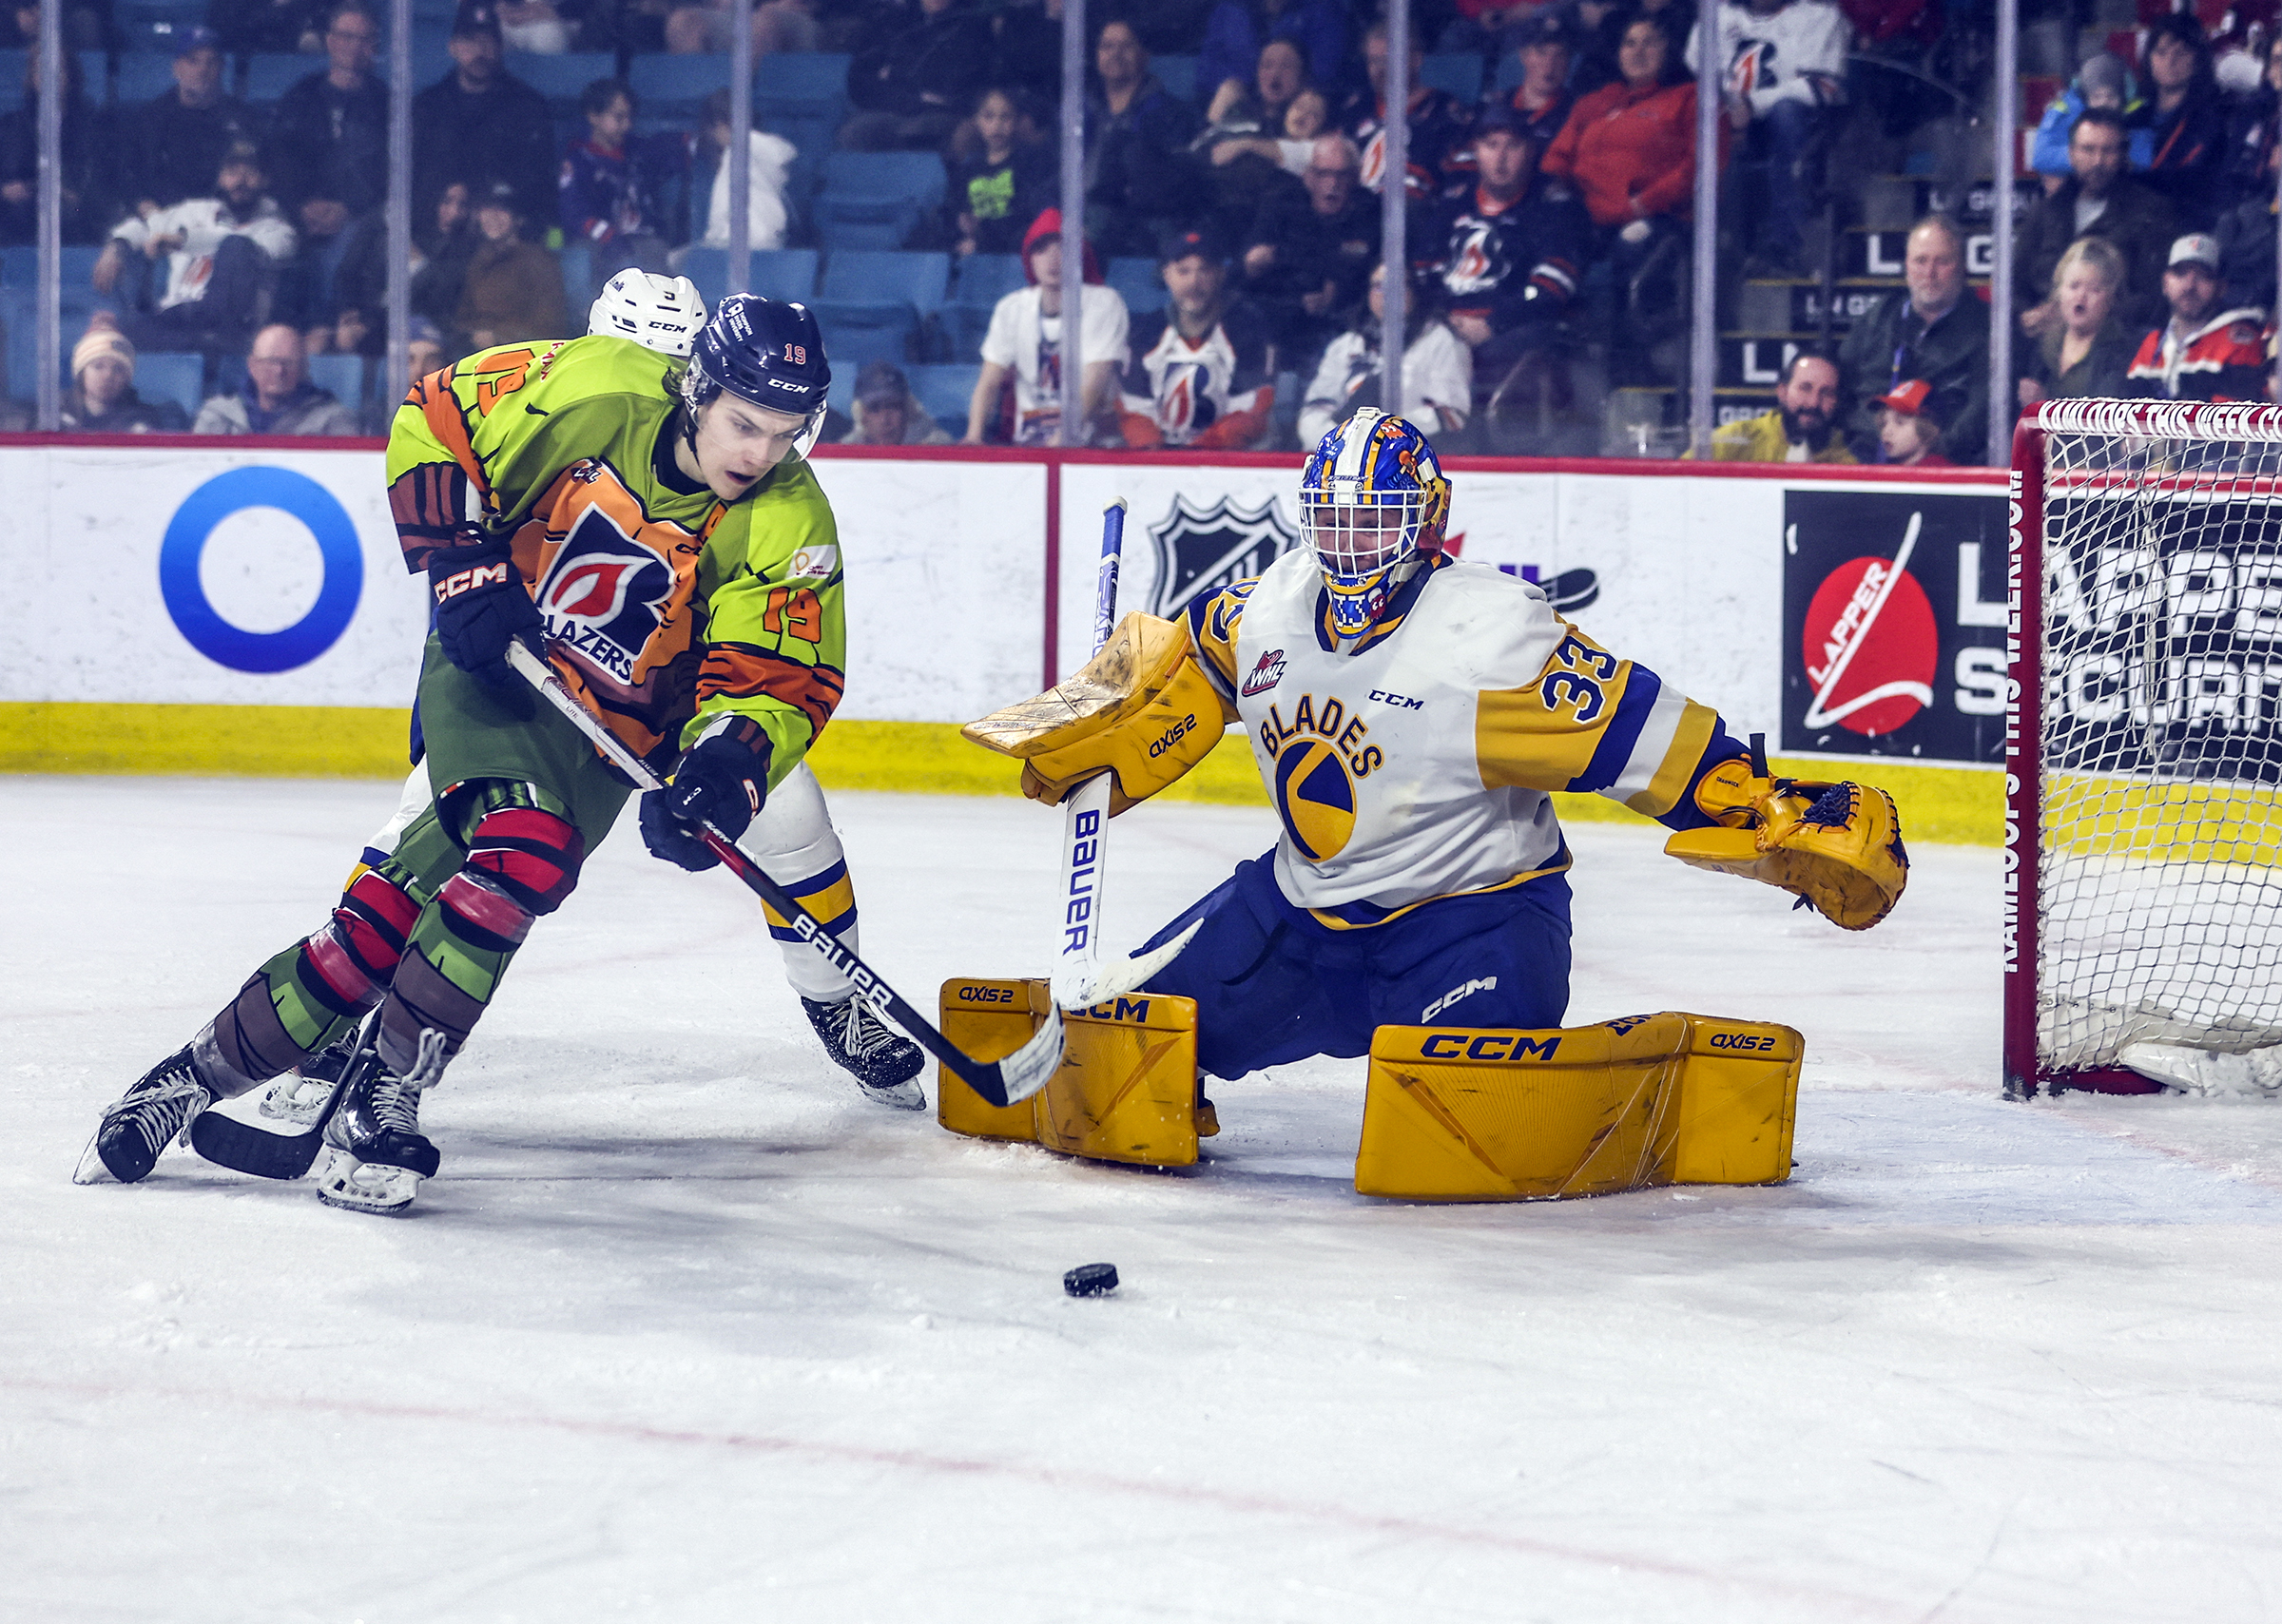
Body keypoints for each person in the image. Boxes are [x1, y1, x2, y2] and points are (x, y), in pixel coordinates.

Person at [77, 295, 897, 1214]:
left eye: (784, 433)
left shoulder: (790, 512)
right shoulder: (595, 387)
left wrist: (723, 768)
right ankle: (387, 1100)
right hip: (501, 675)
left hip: (612, 733)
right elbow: (437, 414)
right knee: (525, 848)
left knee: (378, 928)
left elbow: (779, 671)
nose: (758, 454)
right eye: (744, 424)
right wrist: (461, 556)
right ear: (698, 390)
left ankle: (183, 1081)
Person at [975, 408, 1905, 1100]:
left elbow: (1637, 732)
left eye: (1374, 521)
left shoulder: (1488, 636)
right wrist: (1099, 719)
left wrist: (1763, 808)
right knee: (1124, 1052)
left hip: (1470, 925)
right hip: (1300, 920)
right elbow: (1184, 669)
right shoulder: (1265, 606)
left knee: (1457, 1098)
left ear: (1425, 520)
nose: (1349, 547)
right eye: (1333, 522)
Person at [1539, 11, 1721, 384]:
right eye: (1629, 42)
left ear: (1670, 49)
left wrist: (1641, 204)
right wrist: (1561, 190)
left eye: (1650, 41)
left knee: (1631, 244)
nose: (1638, 51)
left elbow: (1698, 170)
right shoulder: (1598, 102)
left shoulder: (1690, 98)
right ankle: (1551, 348)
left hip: (1658, 218)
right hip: (1589, 215)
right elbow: (1557, 157)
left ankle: (1625, 367)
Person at [1419, 103, 1591, 430]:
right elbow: (1423, 270)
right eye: (1491, 145)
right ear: (1476, 151)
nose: (1500, 158)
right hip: (1447, 326)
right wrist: (1443, 318)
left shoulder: (1554, 203)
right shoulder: (1455, 199)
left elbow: (1554, 287)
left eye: (1512, 146)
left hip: (1512, 329)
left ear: (1530, 150)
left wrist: (1493, 323)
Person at [1685, 0, 1850, 275]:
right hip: (1732, 121)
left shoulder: (1821, 16)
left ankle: (1786, 244)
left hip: (1802, 130)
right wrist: (1729, 109)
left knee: (1786, 114)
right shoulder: (1717, 16)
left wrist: (1751, 105)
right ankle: (1710, 257)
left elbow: (1822, 87)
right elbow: (1699, 79)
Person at [94, 143, 299, 358]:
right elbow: (145, 225)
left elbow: (236, 245)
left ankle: (205, 346)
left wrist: (184, 240)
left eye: (250, 173)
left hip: (232, 327)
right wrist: (116, 247)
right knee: (117, 338)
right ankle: (200, 346)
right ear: (221, 178)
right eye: (232, 173)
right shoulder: (195, 212)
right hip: (179, 316)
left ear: (265, 180)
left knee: (237, 248)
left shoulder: (280, 231)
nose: (240, 181)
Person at [966, 207, 1130, 445]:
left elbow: (1094, 381)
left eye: (1063, 248)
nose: (1053, 258)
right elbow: (989, 381)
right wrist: (974, 436)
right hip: (1029, 442)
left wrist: (1060, 441)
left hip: (1091, 444)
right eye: (1042, 250)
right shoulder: (1011, 307)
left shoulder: (1104, 302)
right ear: (1029, 259)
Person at [1837, 216, 1988, 462]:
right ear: (1907, 266)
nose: (1930, 273)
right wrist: (1880, 437)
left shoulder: (1986, 327)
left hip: (1946, 466)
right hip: (1866, 456)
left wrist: (1932, 448)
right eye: (1921, 261)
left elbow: (1985, 409)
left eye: (1942, 261)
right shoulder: (1878, 318)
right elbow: (1841, 390)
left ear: (1962, 266)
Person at [1117, 225, 1277, 450]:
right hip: (1157, 459)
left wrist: (1198, 455)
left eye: (1204, 271)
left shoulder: (1248, 331)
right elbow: (1133, 407)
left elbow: (1251, 411)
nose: (1194, 282)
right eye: (1183, 271)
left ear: (1221, 274)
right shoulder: (1144, 332)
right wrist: (1153, 452)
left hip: (1226, 462)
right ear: (1167, 275)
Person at [2019, 108, 2176, 332]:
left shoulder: (2151, 212)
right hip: (2042, 345)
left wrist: (2078, 312)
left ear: (2124, 155)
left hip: (2116, 344)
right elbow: (2014, 290)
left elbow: (2155, 298)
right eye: (2088, 149)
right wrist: (2027, 317)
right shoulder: (2045, 213)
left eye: (2108, 151)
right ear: (2071, 153)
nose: (2098, 161)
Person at [412, 0, 558, 231]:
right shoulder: (427, 106)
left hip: (504, 230)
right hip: (436, 229)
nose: (480, 51)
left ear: (500, 47)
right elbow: (413, 179)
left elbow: (539, 184)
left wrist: (495, 205)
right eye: (470, 41)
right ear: (454, 47)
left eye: (488, 42)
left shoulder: (527, 106)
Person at [1297, 261, 1472, 445]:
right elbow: (1315, 410)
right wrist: (1340, 441)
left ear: (1413, 292)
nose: (1387, 294)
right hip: (1343, 457)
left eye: (1397, 285)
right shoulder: (1346, 345)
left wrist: (1381, 433)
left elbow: (1452, 415)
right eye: (1378, 287)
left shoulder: (1440, 341)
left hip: (1410, 458)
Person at [1241, 133, 1376, 360]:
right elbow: (1252, 261)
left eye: (1341, 175)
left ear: (1355, 177)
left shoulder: (1370, 211)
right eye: (1323, 173)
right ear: (1308, 176)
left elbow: (1352, 266)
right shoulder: (1281, 202)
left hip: (1338, 322)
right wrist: (1255, 265)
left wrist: (1330, 293)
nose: (1332, 184)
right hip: (1275, 309)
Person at [265, 2, 390, 246]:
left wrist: (349, 208)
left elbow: (389, 170)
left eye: (365, 39)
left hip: (361, 219)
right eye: (347, 37)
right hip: (300, 217)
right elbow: (279, 158)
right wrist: (302, 206)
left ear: (375, 45)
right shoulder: (300, 96)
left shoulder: (387, 103)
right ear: (330, 40)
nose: (355, 46)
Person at [1082, 18, 1204, 257]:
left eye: (1126, 46)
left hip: (1139, 222)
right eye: (1107, 46)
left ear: (1145, 55)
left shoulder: (1172, 113)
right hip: (1080, 215)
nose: (1115, 54)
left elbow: (1170, 184)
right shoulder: (1079, 110)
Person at [114, 27, 263, 216]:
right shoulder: (151, 117)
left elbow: (258, 171)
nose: (202, 70)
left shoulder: (243, 117)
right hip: (164, 216)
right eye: (193, 61)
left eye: (211, 62)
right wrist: (146, 207)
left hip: (229, 216)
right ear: (177, 68)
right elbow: (130, 175)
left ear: (222, 67)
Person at [2124, 232, 2268, 401]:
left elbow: (2231, 421)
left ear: (2221, 288)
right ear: (2165, 283)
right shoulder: (2152, 342)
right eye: (2181, 273)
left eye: (2202, 276)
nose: (2190, 285)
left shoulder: (2238, 341)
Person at [560, 78, 672, 290]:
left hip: (641, 242)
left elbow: (674, 148)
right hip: (598, 244)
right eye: (619, 117)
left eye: (630, 117)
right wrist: (608, 235)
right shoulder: (579, 160)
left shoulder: (638, 150)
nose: (627, 125)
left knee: (654, 251)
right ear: (593, 116)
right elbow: (573, 212)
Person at [840, 0, 995, 153]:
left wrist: (894, 76)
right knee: (855, 132)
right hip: (895, 109)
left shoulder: (973, 28)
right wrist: (908, 95)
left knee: (916, 131)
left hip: (944, 115)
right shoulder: (895, 22)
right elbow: (861, 81)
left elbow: (953, 85)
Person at [1342, 19, 1472, 200]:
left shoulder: (1447, 113)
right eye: (1373, 61)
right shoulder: (1356, 108)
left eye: (1387, 60)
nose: (1379, 70)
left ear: (1416, 59)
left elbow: (1460, 185)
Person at [0, 46, 105, 245]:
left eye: (58, 69)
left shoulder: (94, 125)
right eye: (41, 69)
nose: (50, 76)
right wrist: (4, 191)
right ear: (32, 77)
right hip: (17, 222)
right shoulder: (10, 126)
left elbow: (102, 180)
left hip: (75, 222)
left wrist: (69, 193)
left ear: (71, 76)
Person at [2016, 236, 2137, 408]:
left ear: (2111, 298)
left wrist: (2046, 405)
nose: (2081, 297)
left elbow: (2103, 417)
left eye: (2094, 290)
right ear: (2059, 291)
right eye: (2073, 286)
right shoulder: (2042, 346)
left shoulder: (2122, 351)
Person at [2137, 13, 2226, 233]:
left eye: (2181, 52)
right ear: (2149, 59)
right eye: (2161, 52)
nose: (2170, 61)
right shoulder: (2134, 115)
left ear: (2198, 60)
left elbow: (2188, 180)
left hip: (2181, 221)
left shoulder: (2210, 118)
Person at [457, 181, 571, 350]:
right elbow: (462, 318)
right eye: (487, 209)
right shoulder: (476, 260)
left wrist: (499, 336)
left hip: (520, 358)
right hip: (474, 355)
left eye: (502, 210)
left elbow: (551, 328)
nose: (493, 217)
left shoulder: (539, 262)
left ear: (519, 219)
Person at [192, 322, 362, 435]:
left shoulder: (332, 420)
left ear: (304, 367)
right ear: (252, 365)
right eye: (270, 362)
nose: (279, 371)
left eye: (288, 362)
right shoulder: (218, 416)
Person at [944, 86, 1053, 258]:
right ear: (976, 121)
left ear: (1016, 121)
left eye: (1005, 117)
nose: (997, 125)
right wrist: (964, 227)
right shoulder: (968, 170)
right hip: (972, 252)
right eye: (988, 117)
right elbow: (957, 210)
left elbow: (1027, 215)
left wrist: (983, 236)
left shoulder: (1028, 163)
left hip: (1012, 252)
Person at [1701, 348, 1853, 461]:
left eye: (1826, 393)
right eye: (1805, 388)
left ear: (1837, 401)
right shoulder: (1736, 439)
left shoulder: (1846, 456)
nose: (1814, 402)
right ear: (1782, 391)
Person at [2031, 51, 2151, 184]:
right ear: (2085, 98)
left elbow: (2144, 160)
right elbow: (2041, 157)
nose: (2103, 103)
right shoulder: (2066, 110)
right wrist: (2086, 157)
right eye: (2096, 97)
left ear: (2123, 97)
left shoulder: (2138, 115)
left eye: (2111, 97)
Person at [1197, 0, 1346, 104]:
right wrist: (1238, 84)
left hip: (1293, 106)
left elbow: (1325, 71)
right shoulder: (1231, 8)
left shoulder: (1322, 9)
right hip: (1237, 101)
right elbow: (1208, 66)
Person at [58, 328, 189, 433]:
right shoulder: (54, 412)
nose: (108, 375)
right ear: (81, 373)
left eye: (118, 369)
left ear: (127, 379)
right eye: (98, 366)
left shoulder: (143, 418)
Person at [839, 358, 955, 445]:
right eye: (875, 409)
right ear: (862, 416)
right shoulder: (842, 455)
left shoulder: (937, 448)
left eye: (893, 407)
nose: (885, 420)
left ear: (908, 411)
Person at [1868, 378, 1955, 467]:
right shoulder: (1886, 471)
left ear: (1929, 429)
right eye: (1884, 423)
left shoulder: (1942, 473)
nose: (1886, 432)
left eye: (1900, 422)